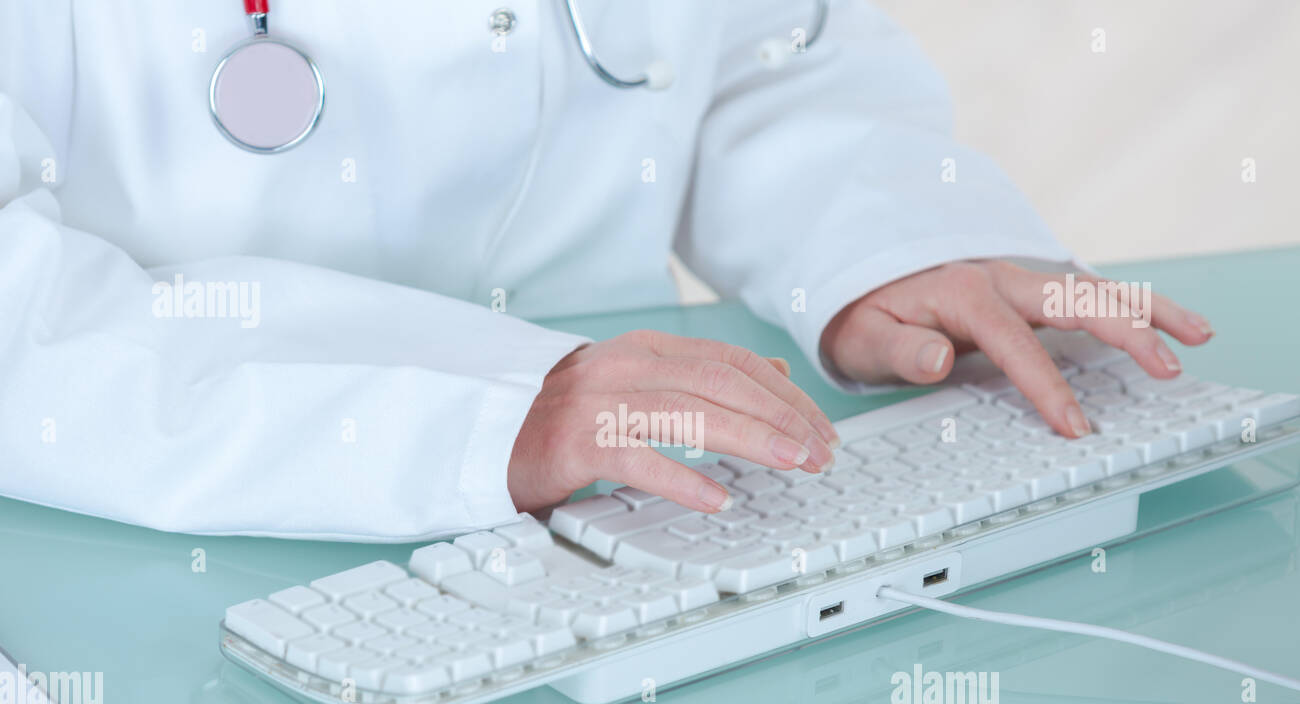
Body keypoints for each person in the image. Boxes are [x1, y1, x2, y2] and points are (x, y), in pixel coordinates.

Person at [0, 1, 1211, 541]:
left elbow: (758, 55)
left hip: (645, 509)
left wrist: (885, 243)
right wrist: (479, 419)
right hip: (157, 522)